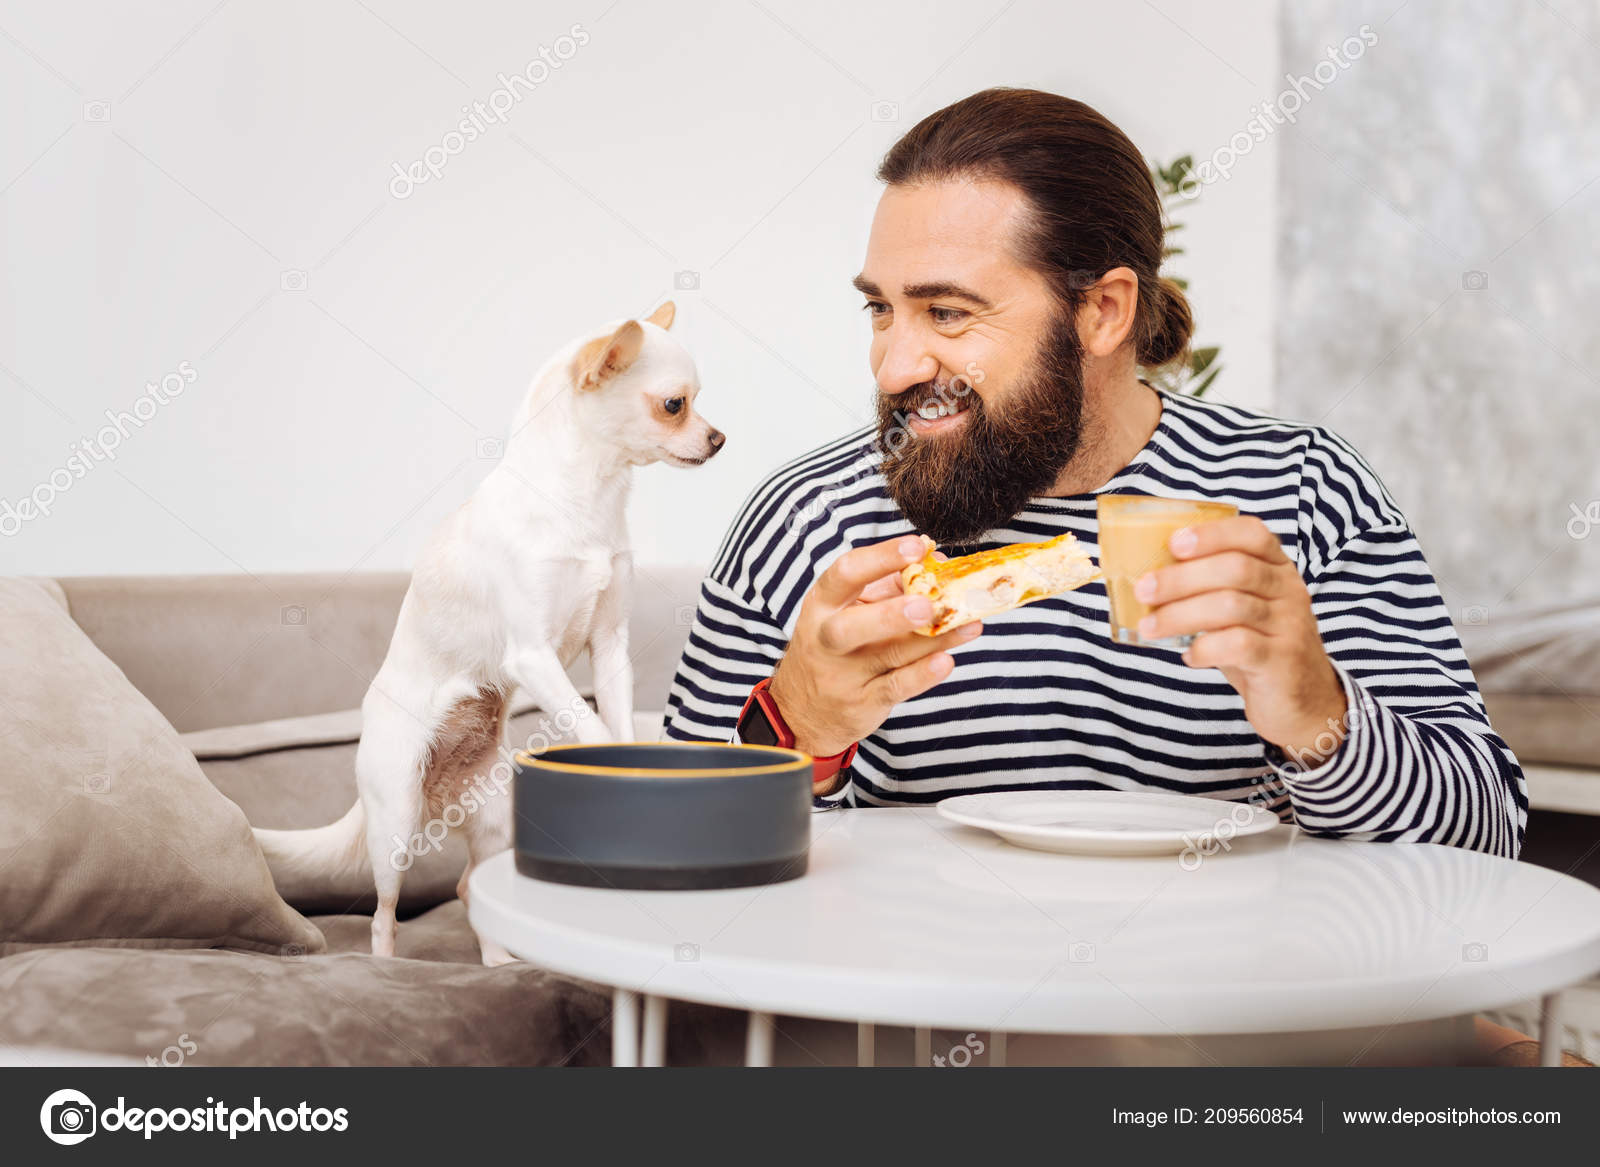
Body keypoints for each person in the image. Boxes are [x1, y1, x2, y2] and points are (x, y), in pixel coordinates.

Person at [661, 87, 1526, 861]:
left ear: (1102, 311)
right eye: (881, 309)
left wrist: (1318, 715)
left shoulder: (1299, 492)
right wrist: (795, 726)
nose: (892, 365)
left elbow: (1488, 832)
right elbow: (666, 851)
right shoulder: (808, 520)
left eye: (948, 312)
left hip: (1233, 1017)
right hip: (916, 1018)